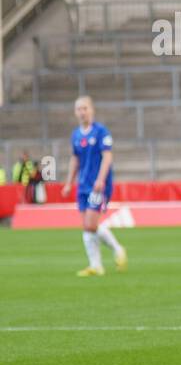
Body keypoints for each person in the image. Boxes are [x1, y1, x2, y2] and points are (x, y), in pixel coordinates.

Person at [62, 97, 127, 276]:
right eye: (78, 109)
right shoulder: (76, 135)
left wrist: (100, 179)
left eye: (85, 108)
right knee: (87, 226)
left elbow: (107, 156)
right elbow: (75, 159)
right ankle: (96, 265)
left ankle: (117, 249)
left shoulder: (101, 132)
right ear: (75, 112)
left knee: (90, 224)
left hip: (98, 185)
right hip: (82, 185)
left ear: (92, 110)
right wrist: (69, 183)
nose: (82, 112)